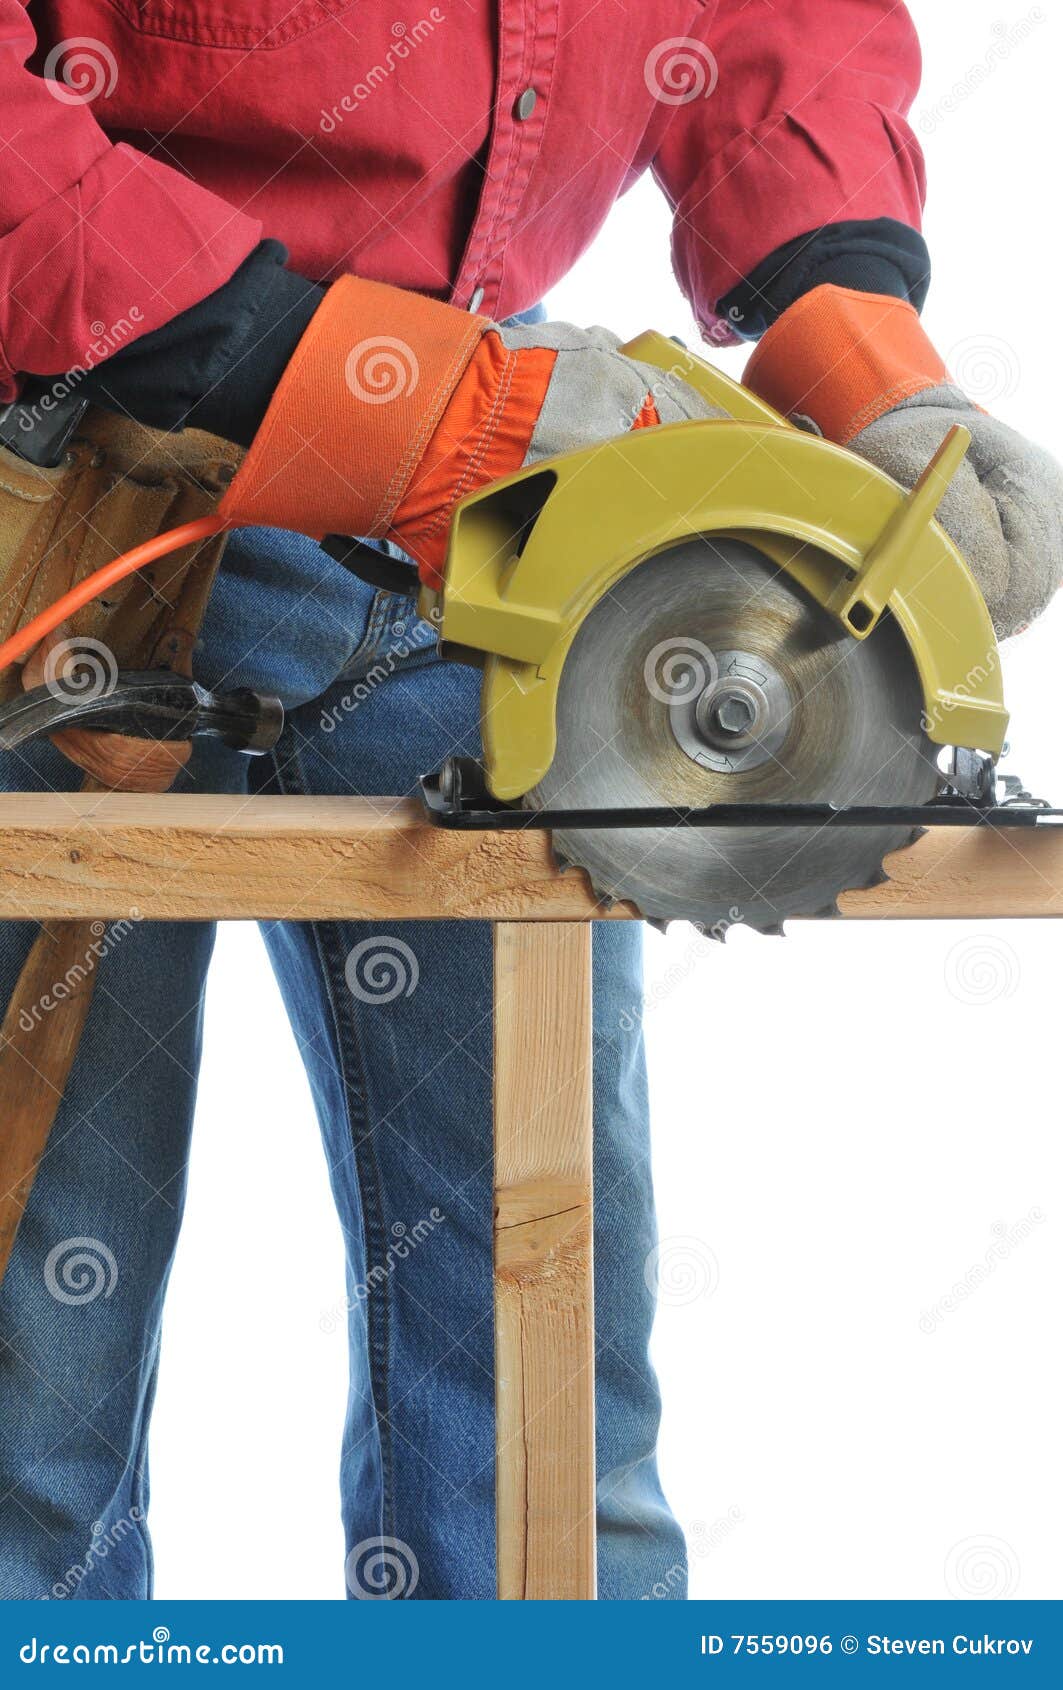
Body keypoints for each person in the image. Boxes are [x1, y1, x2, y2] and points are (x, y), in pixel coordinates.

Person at [0, 1, 1059, 1600]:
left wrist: (871, 369)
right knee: (35, 1380)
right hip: (63, 488)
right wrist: (404, 395)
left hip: (475, 511)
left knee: (541, 1388)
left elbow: (773, 25)